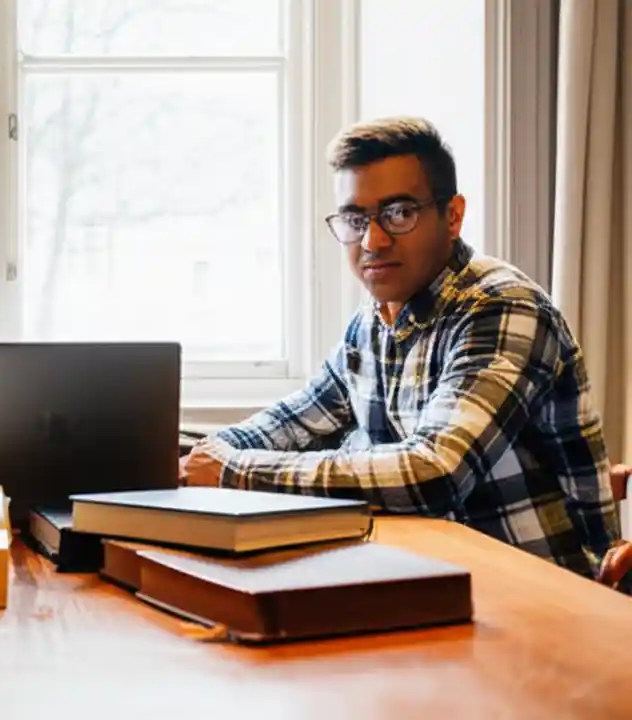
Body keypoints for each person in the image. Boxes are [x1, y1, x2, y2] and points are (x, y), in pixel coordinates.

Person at [179, 117, 619, 578]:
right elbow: (293, 422)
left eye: (399, 213)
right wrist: (197, 460)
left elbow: (433, 473)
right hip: (429, 581)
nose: (373, 240)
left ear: (452, 216)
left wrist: (234, 471)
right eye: (354, 219)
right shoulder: (373, 321)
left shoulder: (501, 308)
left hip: (544, 595)